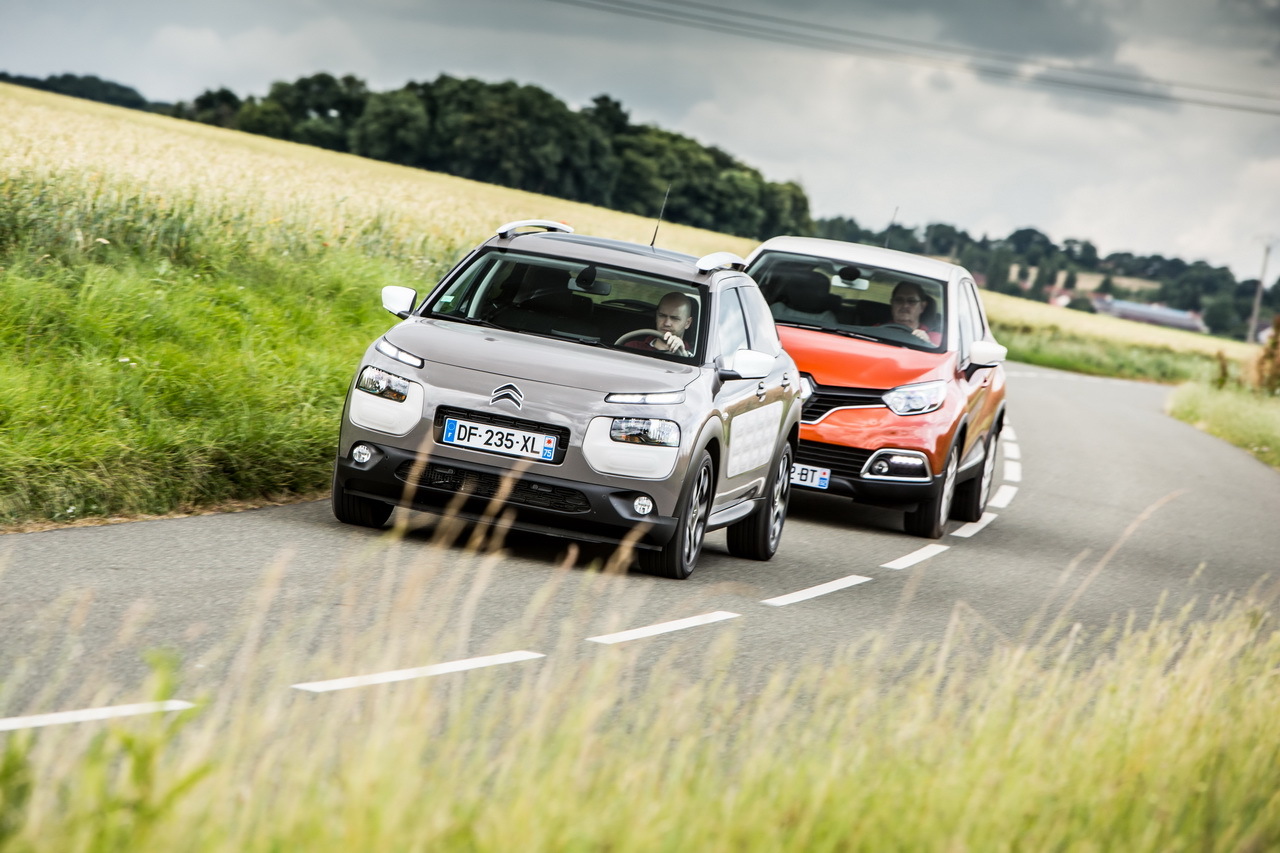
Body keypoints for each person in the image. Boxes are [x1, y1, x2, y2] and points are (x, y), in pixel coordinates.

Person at [623, 292, 695, 356]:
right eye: (662, 316)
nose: (667, 323)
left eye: (674, 318)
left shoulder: (692, 357)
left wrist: (683, 355)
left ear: (687, 323)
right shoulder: (633, 347)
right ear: (656, 316)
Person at [886, 281, 942, 345]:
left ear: (922, 307)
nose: (905, 305)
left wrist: (927, 344)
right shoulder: (878, 330)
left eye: (912, 301)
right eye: (899, 300)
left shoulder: (936, 339)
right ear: (892, 304)